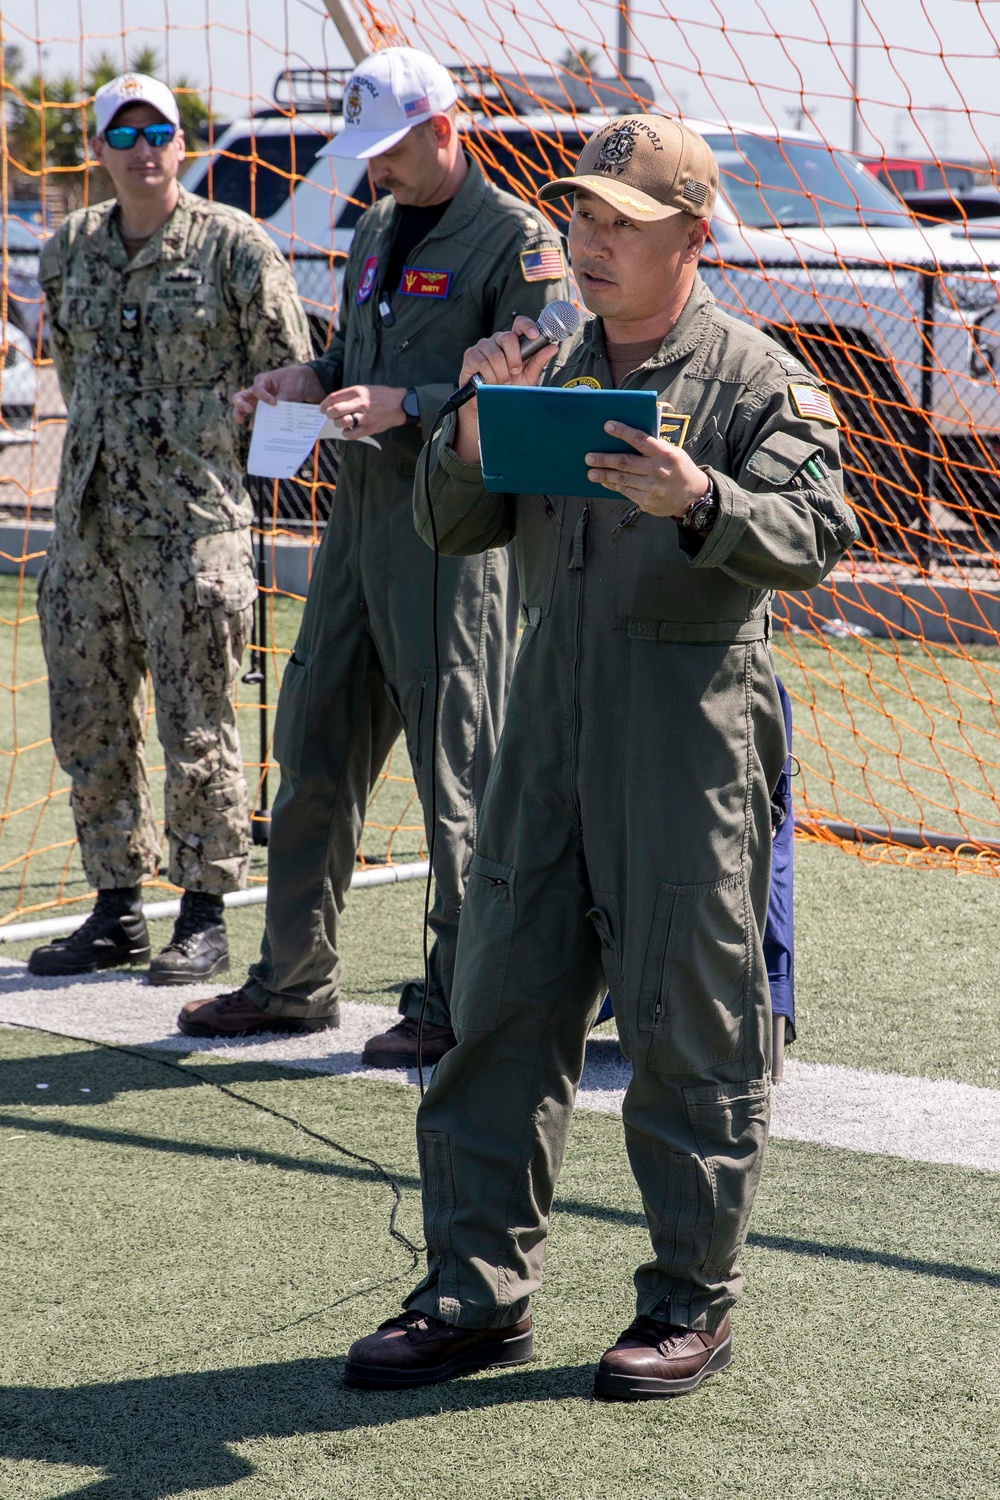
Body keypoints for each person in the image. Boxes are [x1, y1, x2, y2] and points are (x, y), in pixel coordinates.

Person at [345, 115, 858, 1397]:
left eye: (620, 225)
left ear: (691, 237)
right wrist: (468, 411)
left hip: (685, 745)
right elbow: (450, 522)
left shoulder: (753, 375)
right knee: (498, 1012)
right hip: (541, 736)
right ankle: (475, 1296)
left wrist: (701, 500)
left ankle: (690, 1300)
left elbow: (821, 527)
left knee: (692, 1029)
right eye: (578, 219)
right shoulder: (545, 362)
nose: (587, 244)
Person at [177, 47, 569, 1067]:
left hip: (453, 541)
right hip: (356, 531)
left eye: (387, 148)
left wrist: (413, 407)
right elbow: (361, 357)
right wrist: (303, 378)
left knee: (459, 778)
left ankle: (456, 996)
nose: (373, 169)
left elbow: (537, 405)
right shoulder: (379, 229)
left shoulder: (516, 242)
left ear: (445, 129)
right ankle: (292, 979)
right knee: (310, 747)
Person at [29, 73, 312, 985]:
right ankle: (117, 909)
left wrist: (223, 465)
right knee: (88, 723)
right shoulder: (67, 248)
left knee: (198, 729)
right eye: (125, 130)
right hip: (88, 531)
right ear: (101, 150)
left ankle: (203, 912)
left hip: (194, 531)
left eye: (161, 129)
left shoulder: (235, 247)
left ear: (183, 146)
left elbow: (293, 376)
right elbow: (72, 371)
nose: (144, 145)